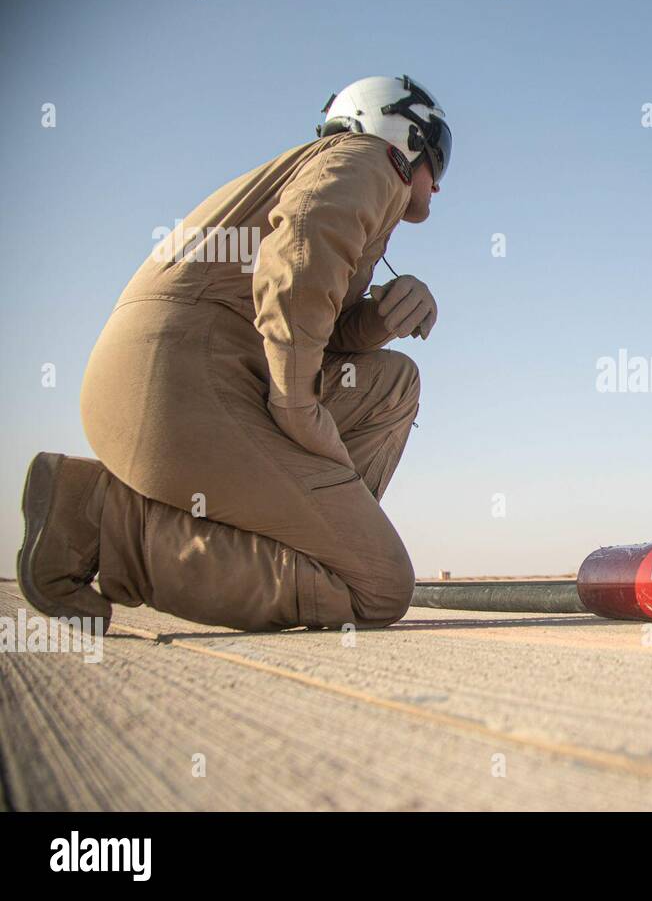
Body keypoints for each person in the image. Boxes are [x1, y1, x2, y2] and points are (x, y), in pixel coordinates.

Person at [17, 75, 451, 632]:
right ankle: (99, 521)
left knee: (395, 382)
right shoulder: (372, 157)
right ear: (404, 132)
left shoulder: (341, 177)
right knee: (380, 588)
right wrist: (297, 405)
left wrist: (376, 320)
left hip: (176, 375)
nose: (437, 183)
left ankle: (325, 545)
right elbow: (302, 242)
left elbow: (296, 299)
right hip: (185, 378)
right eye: (436, 154)